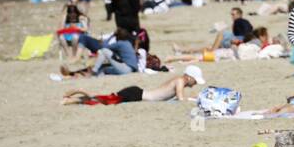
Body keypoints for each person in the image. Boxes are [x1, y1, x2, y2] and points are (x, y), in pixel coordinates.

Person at [62, 66, 205, 106]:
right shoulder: (180, 80)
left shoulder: (179, 80)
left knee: (102, 100)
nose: (195, 83)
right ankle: (76, 93)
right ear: (189, 77)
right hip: (136, 94)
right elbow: (180, 99)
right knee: (102, 100)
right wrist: (194, 100)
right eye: (195, 80)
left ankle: (72, 100)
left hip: (137, 93)